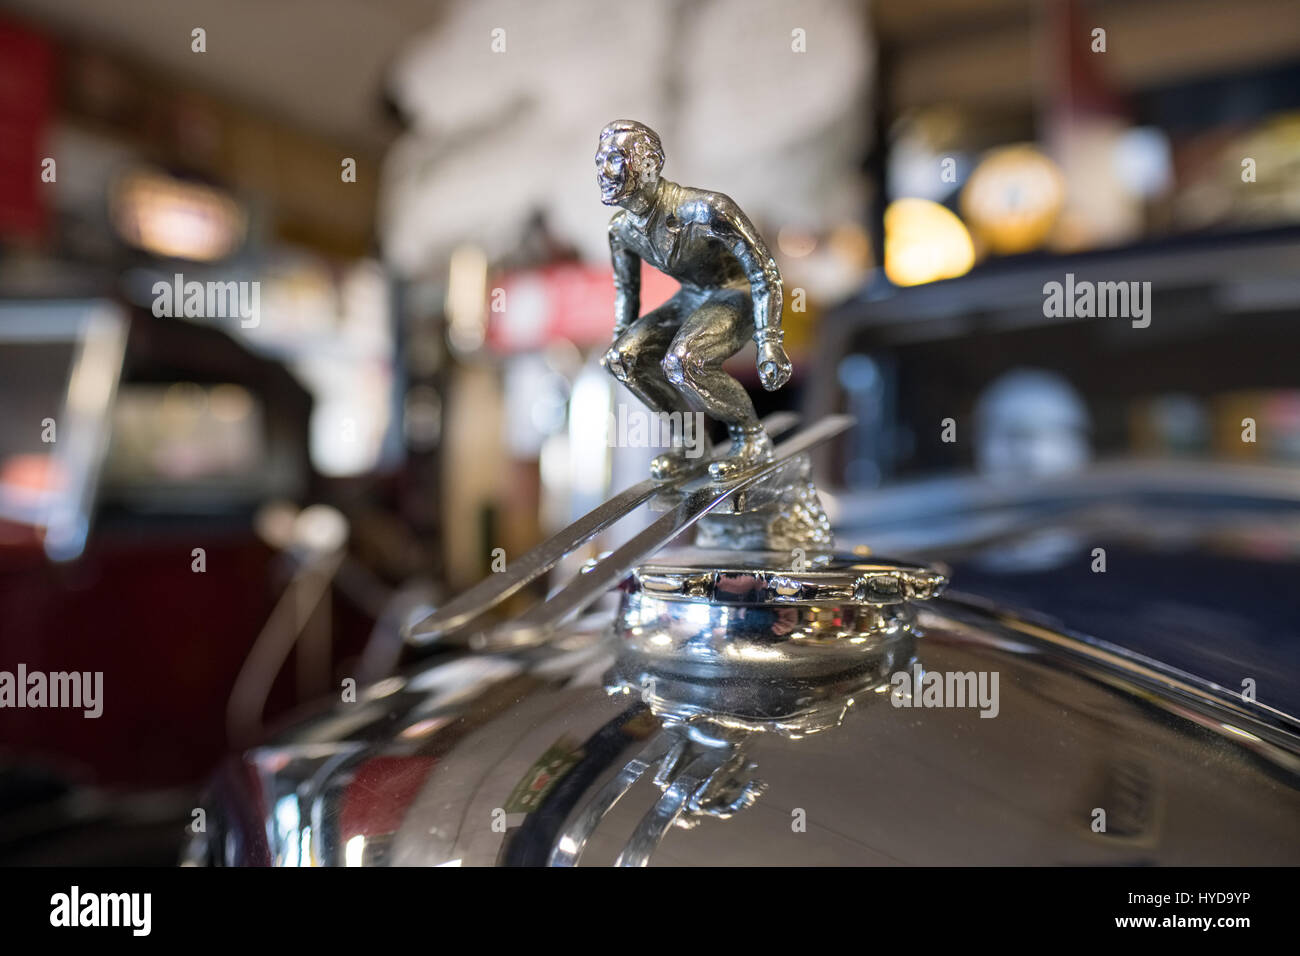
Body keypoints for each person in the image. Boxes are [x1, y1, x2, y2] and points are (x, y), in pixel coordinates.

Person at [596, 120, 792, 480]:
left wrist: (769, 342)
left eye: (614, 159)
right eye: (599, 161)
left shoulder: (705, 210)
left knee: (682, 362)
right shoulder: (621, 229)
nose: (603, 170)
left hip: (738, 293)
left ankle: (751, 437)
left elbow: (764, 269)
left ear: (650, 164)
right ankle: (691, 445)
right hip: (694, 297)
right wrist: (622, 335)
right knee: (623, 360)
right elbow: (626, 290)